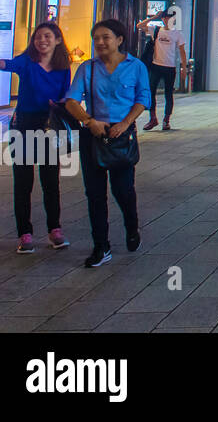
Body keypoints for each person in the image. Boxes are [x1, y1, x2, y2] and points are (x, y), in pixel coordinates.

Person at [62, 19, 151, 268]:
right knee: (94, 194)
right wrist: (88, 121)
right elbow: (71, 101)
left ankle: (131, 226)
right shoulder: (87, 68)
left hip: (121, 135)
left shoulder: (136, 67)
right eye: (97, 38)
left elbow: (143, 98)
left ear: (119, 40)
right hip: (93, 135)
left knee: (123, 190)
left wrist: (125, 123)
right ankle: (101, 246)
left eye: (106, 37)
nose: (100, 42)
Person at [0, 22, 73, 253]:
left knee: (50, 181)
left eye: (47, 36)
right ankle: (25, 233)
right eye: (38, 37)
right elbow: (8, 64)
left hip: (49, 125)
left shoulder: (63, 67)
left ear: (58, 40)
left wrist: (61, 104)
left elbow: (66, 95)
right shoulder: (27, 62)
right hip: (23, 125)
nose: (42, 40)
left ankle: (55, 229)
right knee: (23, 181)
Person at [137, 11, 187, 131]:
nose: (168, 20)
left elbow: (182, 51)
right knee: (151, 92)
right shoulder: (156, 30)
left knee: (168, 94)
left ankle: (166, 120)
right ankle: (153, 118)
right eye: (165, 18)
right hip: (156, 66)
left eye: (171, 18)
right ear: (163, 19)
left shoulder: (177, 34)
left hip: (170, 67)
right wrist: (154, 17)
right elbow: (139, 26)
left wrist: (184, 68)